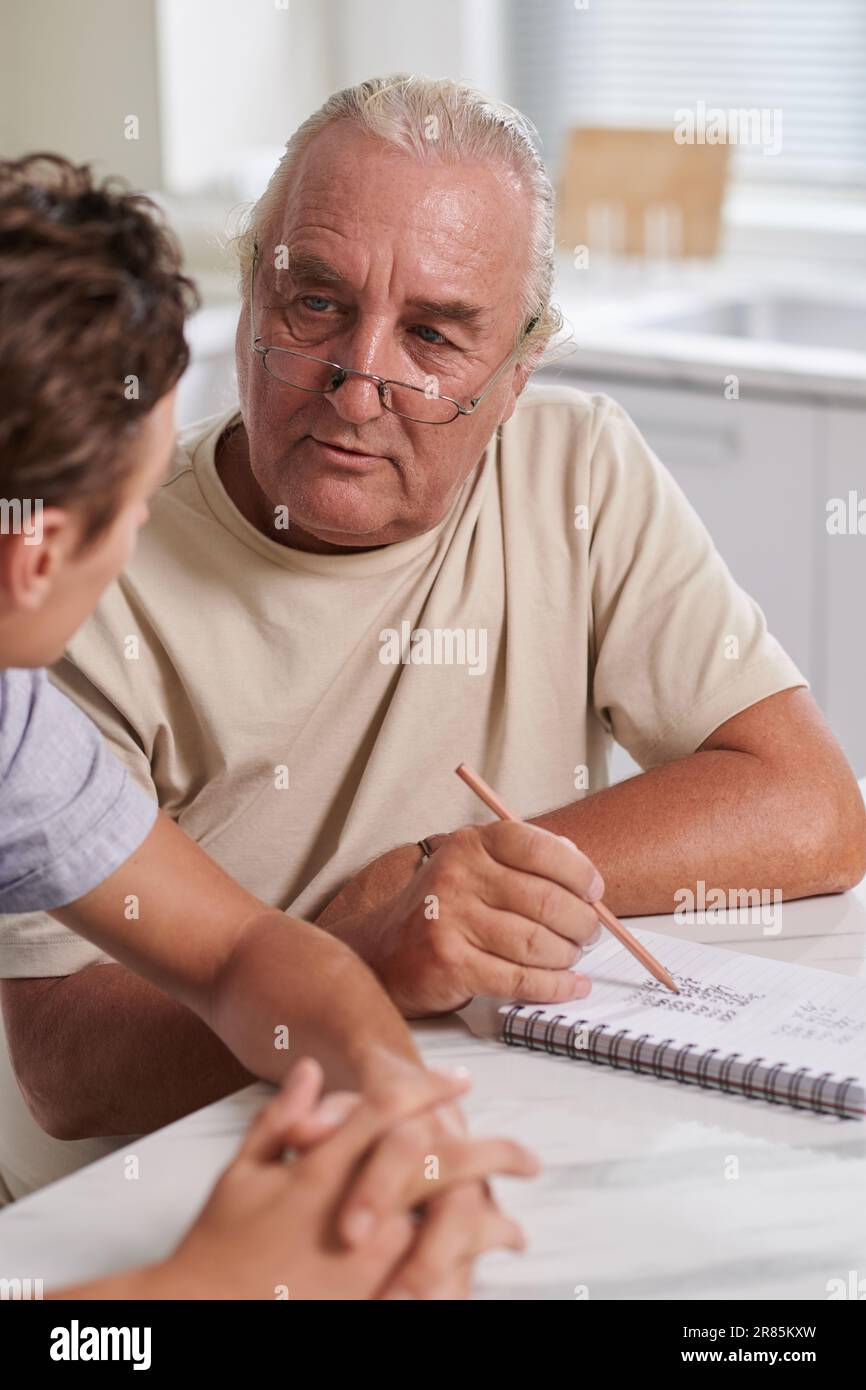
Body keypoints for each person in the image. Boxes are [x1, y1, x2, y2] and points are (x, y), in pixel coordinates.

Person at [4, 74, 865, 1197]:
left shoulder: (576, 469)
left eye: (431, 335)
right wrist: (376, 941)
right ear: (253, 300)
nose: (358, 388)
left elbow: (810, 805)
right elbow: (69, 1071)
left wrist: (454, 896)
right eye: (315, 303)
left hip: (438, 1105)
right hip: (140, 1188)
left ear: (515, 374)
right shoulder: (66, 600)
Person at [0, 152, 597, 1296]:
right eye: (134, 509)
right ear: (38, 557)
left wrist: (392, 1105)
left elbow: (236, 951)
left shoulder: (14, 725)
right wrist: (218, 1281)